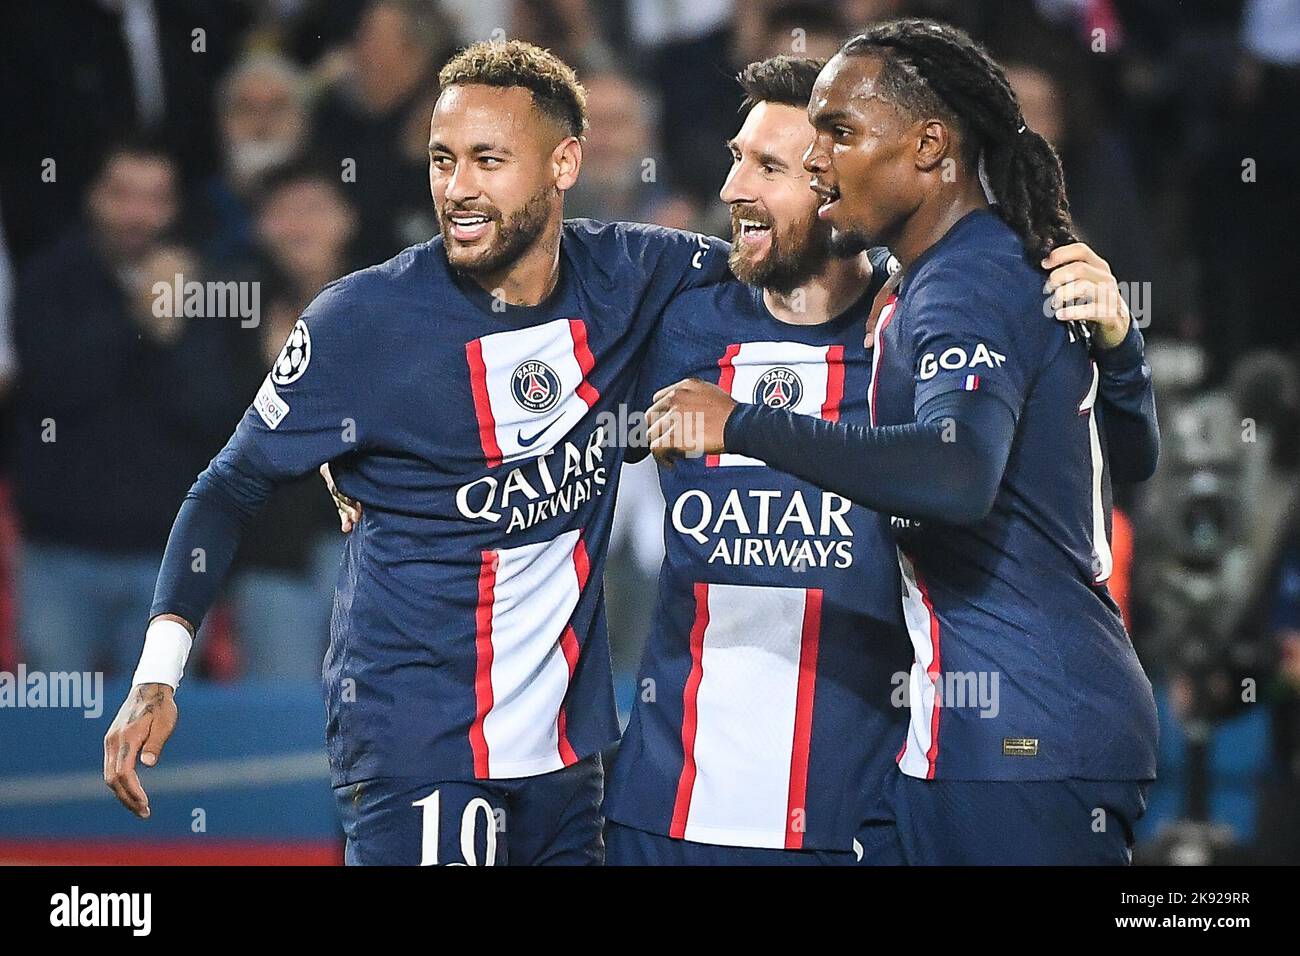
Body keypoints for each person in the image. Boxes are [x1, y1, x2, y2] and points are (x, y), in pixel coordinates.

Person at [325, 53, 1156, 866]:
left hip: (869, 800)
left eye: (772, 165)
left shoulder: (915, 320)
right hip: (668, 810)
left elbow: (1040, 467)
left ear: (832, 184)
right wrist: (376, 436)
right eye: (735, 161)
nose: (733, 191)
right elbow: (509, 327)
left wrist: (1117, 347)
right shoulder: (679, 321)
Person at [103, 40, 729, 866]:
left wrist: (897, 282)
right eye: (442, 160)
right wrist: (159, 670)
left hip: (568, 754)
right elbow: (229, 488)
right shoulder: (362, 323)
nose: (458, 189)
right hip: (420, 745)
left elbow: (768, 277)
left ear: (564, 162)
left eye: (488, 160)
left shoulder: (630, 273)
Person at [647, 19, 1160, 865]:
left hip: (1020, 738)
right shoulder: (975, 267)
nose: (818, 162)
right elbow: (1132, 462)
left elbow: (959, 474)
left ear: (929, 147)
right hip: (988, 732)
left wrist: (738, 421)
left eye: (840, 134)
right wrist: (1122, 352)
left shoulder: (964, 282)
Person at [14, 141, 242, 675]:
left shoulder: (206, 283)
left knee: (158, 736)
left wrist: (173, 331)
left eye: (154, 199)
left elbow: (214, 411)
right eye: (122, 195)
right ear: (94, 197)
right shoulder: (50, 276)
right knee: (52, 733)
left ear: (174, 208)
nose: (138, 214)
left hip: (166, 555)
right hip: (59, 551)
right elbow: (52, 387)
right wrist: (139, 320)